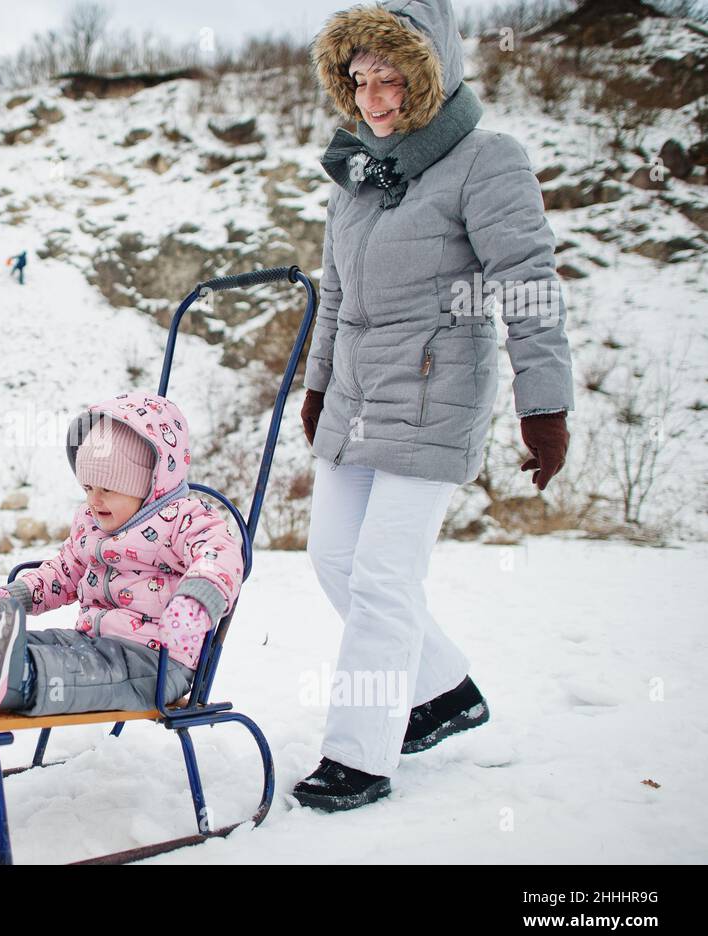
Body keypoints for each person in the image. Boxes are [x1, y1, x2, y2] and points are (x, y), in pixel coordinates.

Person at [294, 0, 575, 811]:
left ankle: (359, 755)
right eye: (360, 79)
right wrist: (319, 386)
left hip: (436, 391)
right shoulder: (354, 177)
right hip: (357, 397)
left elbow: (526, 281)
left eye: (392, 77)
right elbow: (336, 297)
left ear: (432, 75)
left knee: (383, 575)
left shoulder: (487, 161)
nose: (375, 97)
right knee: (334, 560)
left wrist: (544, 405)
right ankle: (445, 689)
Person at [0, 391, 244, 716]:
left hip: (155, 661)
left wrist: (195, 603)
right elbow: (63, 570)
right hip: (90, 639)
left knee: (77, 669)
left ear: (148, 485)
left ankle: (20, 678)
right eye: (87, 488)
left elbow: (221, 553)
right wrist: (17, 595)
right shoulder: (91, 521)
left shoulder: (183, 518)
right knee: (46, 643)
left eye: (107, 489)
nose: (94, 501)